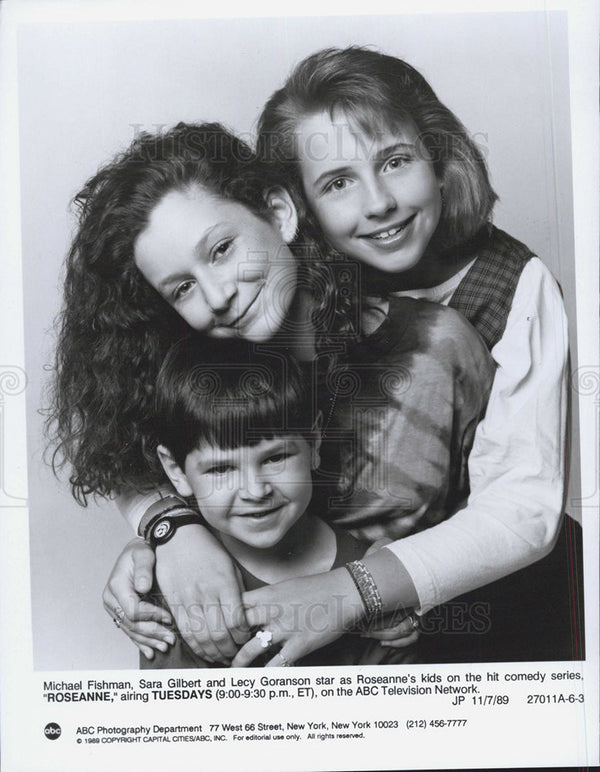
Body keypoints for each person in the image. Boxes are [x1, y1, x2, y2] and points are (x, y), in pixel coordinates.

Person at [107, 47, 582, 665]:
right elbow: (145, 430)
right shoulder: (254, 294)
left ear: (440, 159)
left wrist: (354, 590)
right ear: (294, 204)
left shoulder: (507, 288)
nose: (378, 204)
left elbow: (522, 508)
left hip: (501, 621)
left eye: (397, 161)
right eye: (336, 182)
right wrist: (169, 528)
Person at [49, 121, 495, 666]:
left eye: (220, 249)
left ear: (279, 214)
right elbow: (146, 463)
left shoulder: (440, 348)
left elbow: (508, 515)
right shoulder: (194, 376)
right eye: (182, 287)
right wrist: (170, 532)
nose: (217, 295)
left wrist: (390, 586)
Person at [142, 335, 420, 668]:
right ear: (176, 470)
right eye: (221, 468)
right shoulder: (180, 585)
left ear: (314, 443)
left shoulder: (376, 579)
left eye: (276, 458)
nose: (256, 490)